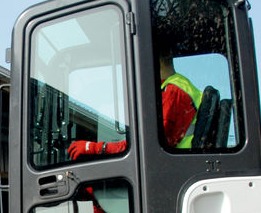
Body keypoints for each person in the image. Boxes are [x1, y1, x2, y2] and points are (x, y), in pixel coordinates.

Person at [66, 50, 201, 158]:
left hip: (174, 166)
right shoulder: (180, 85)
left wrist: (94, 147)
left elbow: (148, 147)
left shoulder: (173, 92)